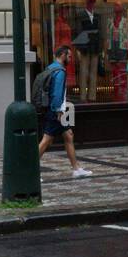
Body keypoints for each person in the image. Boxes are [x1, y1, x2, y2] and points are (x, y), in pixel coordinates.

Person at [38, 45, 91, 178]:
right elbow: (57, 93)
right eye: (69, 56)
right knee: (46, 141)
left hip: (52, 109)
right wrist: (58, 111)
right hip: (55, 110)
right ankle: (29, 170)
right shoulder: (60, 71)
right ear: (62, 55)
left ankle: (76, 169)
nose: (70, 59)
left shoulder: (50, 67)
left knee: (68, 135)